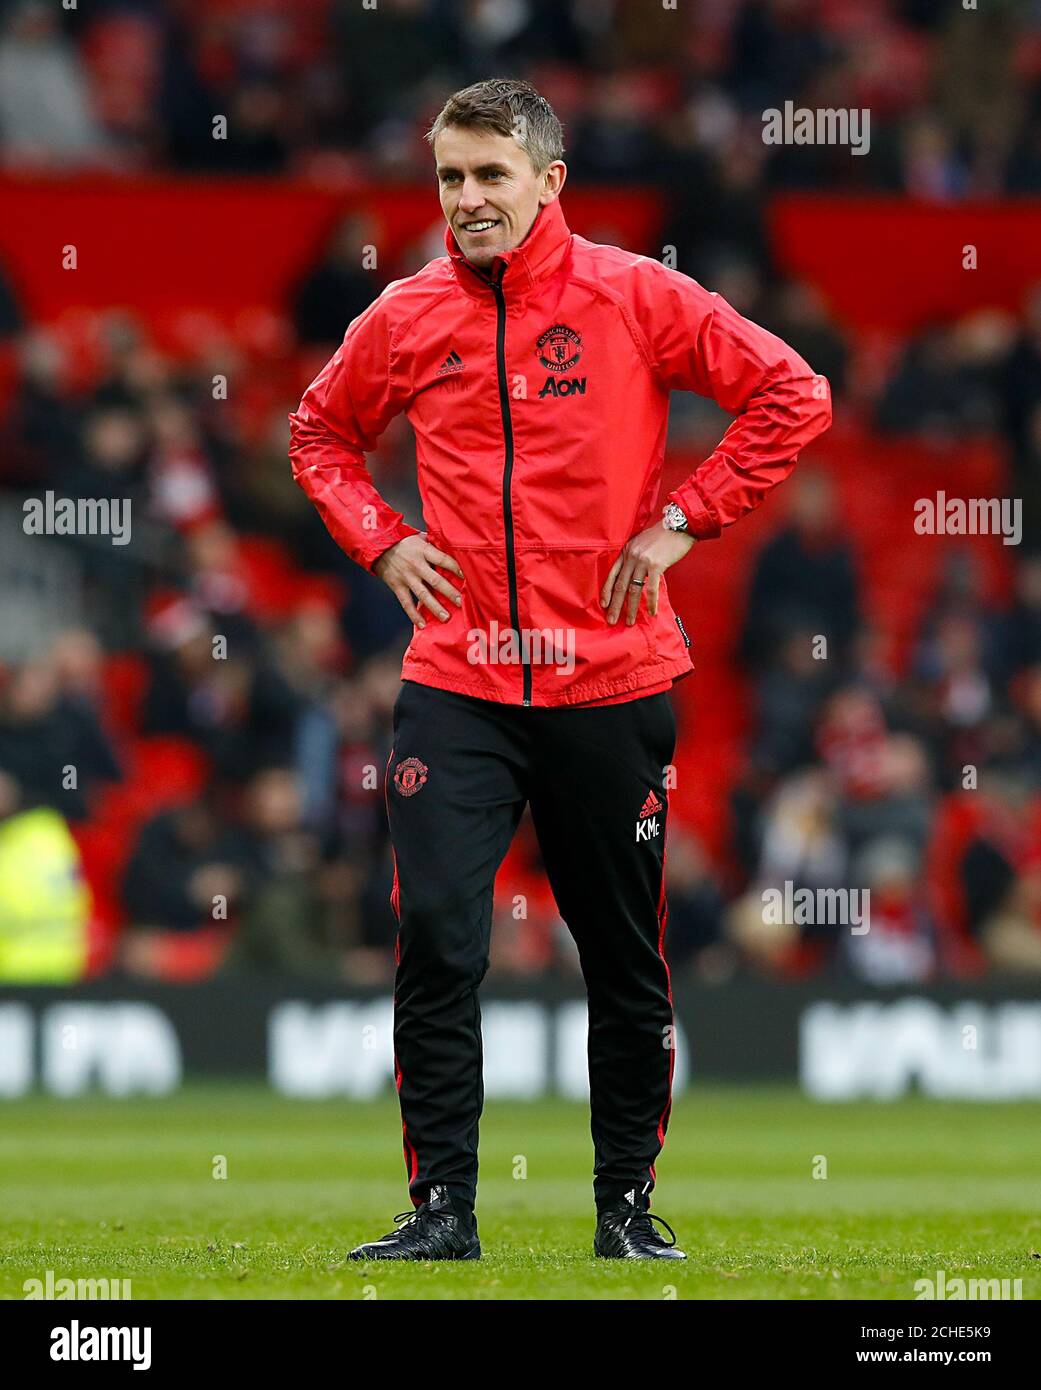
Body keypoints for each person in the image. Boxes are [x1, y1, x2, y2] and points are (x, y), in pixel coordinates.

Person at [288, 78, 831, 1261]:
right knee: (439, 933)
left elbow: (794, 392)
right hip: (460, 676)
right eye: (450, 177)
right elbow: (318, 434)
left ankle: (624, 1208)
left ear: (550, 181)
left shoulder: (635, 295)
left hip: (612, 678)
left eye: (491, 174)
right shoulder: (405, 316)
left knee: (622, 955)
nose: (469, 198)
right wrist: (384, 540)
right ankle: (443, 1213)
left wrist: (687, 518)